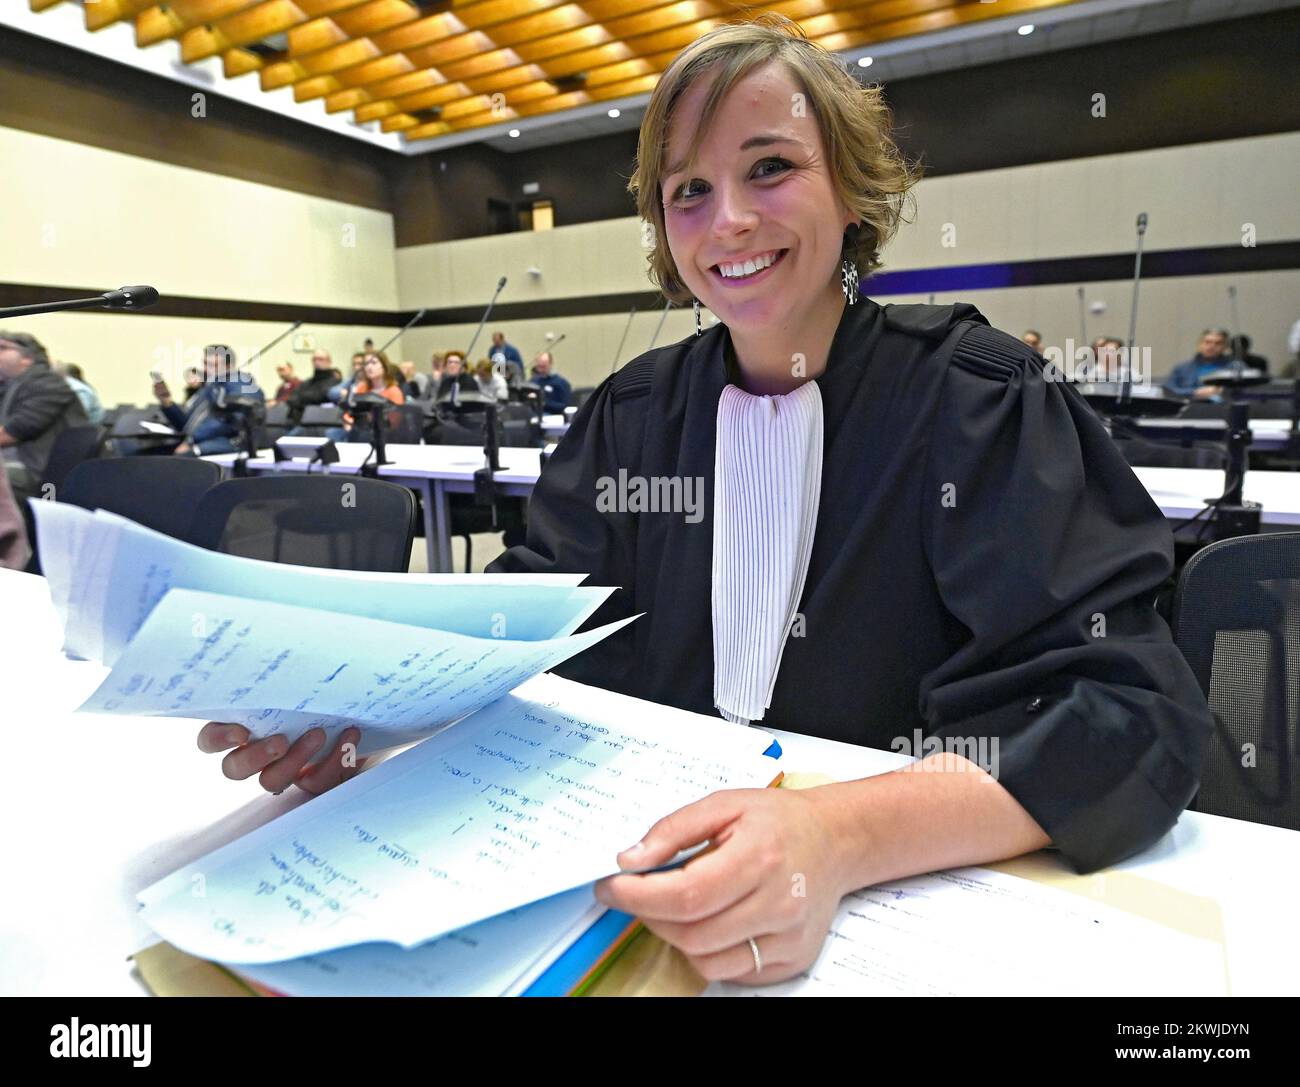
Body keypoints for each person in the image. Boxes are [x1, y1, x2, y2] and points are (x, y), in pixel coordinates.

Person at [194, 15, 1212, 986]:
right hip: (635, 891)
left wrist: (833, 833)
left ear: (851, 193)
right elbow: (532, 637)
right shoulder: (629, 416)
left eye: (769, 167)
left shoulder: (980, 402)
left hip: (907, 910)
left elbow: (1127, 716)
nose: (727, 220)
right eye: (688, 190)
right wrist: (365, 715)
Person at [0, 331, 89, 501]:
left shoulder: (47, 383)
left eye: (2, 347)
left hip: (41, 473)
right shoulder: (13, 385)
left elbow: (14, 432)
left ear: (27, 358)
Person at [153, 344, 265, 456]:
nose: (206, 369)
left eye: (213, 365)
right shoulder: (210, 388)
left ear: (229, 366)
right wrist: (167, 401)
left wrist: (191, 440)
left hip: (228, 443)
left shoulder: (241, 386)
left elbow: (229, 422)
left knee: (179, 458)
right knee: (143, 453)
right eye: (205, 364)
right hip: (199, 441)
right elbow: (186, 426)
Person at [329, 351, 405, 442]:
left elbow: (395, 422)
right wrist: (348, 422)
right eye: (366, 364)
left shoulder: (394, 391)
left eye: (374, 363)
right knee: (332, 433)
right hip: (358, 428)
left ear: (384, 367)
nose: (369, 367)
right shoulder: (362, 387)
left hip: (381, 432)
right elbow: (351, 411)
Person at [1164, 329, 1231, 399]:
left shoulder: (1233, 367)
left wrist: (1221, 391)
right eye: (1207, 342)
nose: (1212, 346)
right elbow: (1169, 391)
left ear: (1225, 347)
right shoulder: (1182, 368)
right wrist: (1194, 392)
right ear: (1200, 345)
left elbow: (1240, 391)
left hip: (1223, 406)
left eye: (1218, 343)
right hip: (1191, 405)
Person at [285, 349, 341, 429]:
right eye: (314, 359)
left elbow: (318, 397)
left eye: (320, 359)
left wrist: (301, 400)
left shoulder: (335, 382)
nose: (317, 362)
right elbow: (291, 399)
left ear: (329, 361)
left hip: (319, 424)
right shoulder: (306, 383)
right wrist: (306, 400)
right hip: (298, 422)